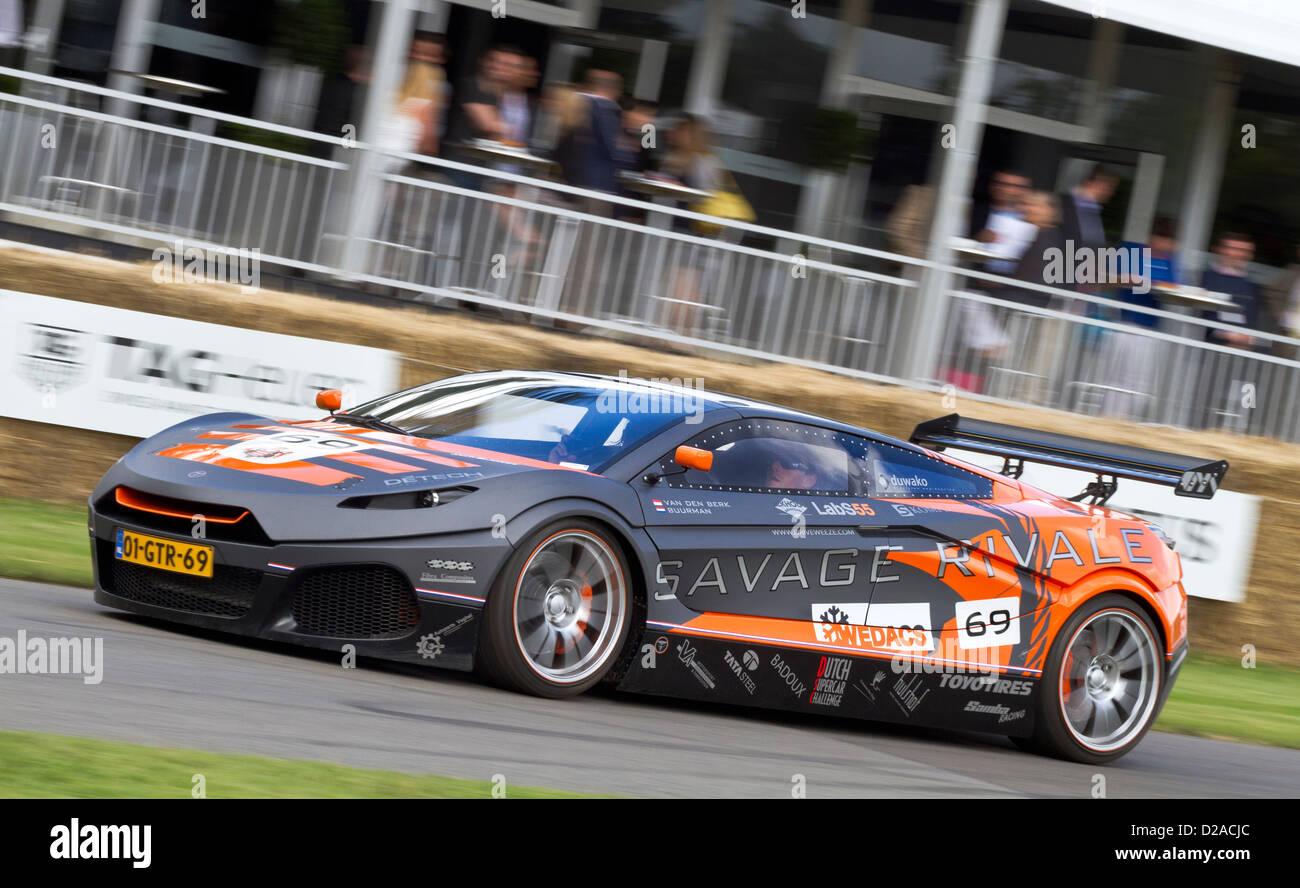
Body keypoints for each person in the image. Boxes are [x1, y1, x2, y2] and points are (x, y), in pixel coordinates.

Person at [1196, 232, 1262, 429]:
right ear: (1220, 250)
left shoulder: (1252, 286)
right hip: (1207, 352)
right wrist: (1225, 334)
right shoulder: (1204, 277)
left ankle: (1235, 435)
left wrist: (1249, 338)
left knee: (1240, 404)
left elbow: (1253, 318)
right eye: (1232, 248)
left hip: (1242, 354)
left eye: (1243, 251)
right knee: (1205, 402)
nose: (1236, 254)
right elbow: (1199, 314)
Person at [975, 170, 1036, 279]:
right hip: (973, 276)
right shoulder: (975, 212)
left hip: (1014, 285)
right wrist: (976, 239)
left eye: (1015, 186)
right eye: (1000, 183)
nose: (1005, 189)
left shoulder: (1035, 218)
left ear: (1027, 190)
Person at [1059, 164, 1119, 258]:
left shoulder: (1092, 211)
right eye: (1108, 186)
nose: (1111, 192)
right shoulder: (1062, 203)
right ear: (1090, 182)